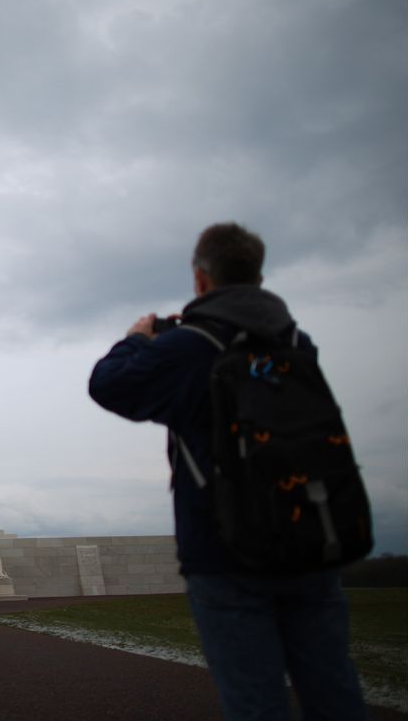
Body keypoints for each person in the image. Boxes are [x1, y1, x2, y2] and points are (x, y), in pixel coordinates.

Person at [88, 222, 366, 720]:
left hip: (224, 546)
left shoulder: (190, 346)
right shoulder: (297, 343)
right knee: (334, 691)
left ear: (200, 279)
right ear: (258, 276)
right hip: (310, 534)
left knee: (255, 703)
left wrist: (137, 339)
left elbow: (109, 385)